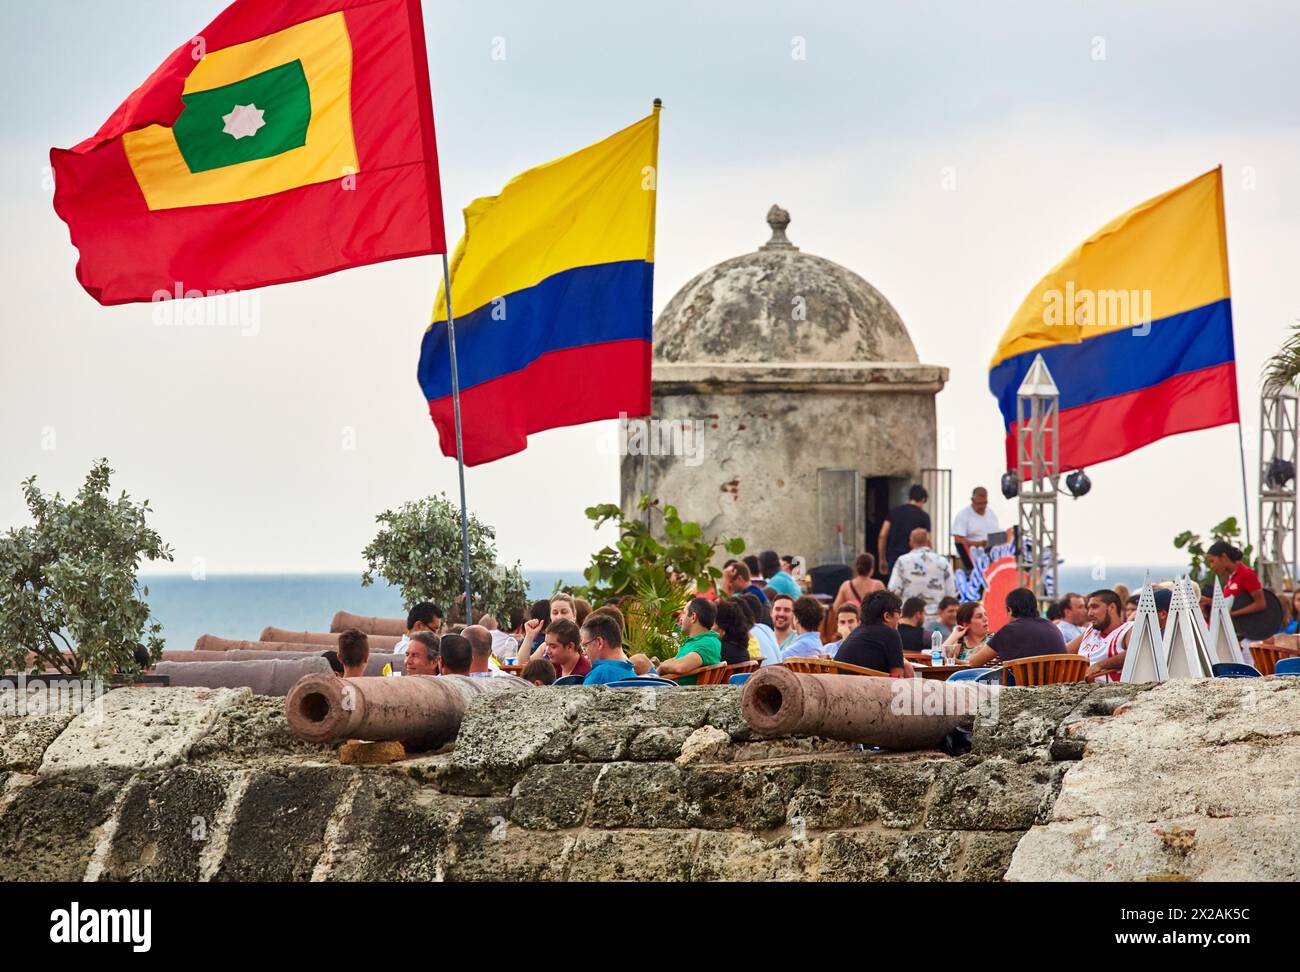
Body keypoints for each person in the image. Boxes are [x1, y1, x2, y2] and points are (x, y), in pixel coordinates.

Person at [1085, 588, 1172, 680]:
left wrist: (1100, 665)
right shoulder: (1091, 630)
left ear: (1162, 614)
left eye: (1145, 611)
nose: (1138, 615)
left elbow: (1136, 651)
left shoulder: (1169, 638)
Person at [968, 588, 1065, 667]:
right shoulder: (1052, 626)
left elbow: (974, 663)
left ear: (1009, 610)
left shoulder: (1008, 631)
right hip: (1056, 687)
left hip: (1022, 689)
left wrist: (976, 651)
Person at [833, 591, 910, 677]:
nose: (900, 618)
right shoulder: (891, 634)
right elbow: (898, 678)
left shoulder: (858, 631)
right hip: (864, 687)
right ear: (887, 616)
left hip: (843, 685)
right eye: (899, 612)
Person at [887, 528, 957, 620]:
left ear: (911, 542)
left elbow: (894, 590)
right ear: (928, 541)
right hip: (936, 617)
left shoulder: (902, 561)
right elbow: (951, 592)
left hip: (910, 617)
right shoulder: (943, 562)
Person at [1068, 589, 1132, 683]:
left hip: (1106, 690)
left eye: (1094, 607)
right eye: (1088, 608)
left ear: (1112, 608)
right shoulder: (1091, 630)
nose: (1089, 613)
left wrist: (1100, 665)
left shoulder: (1128, 629)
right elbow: (1064, 651)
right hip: (1078, 685)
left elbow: (1133, 653)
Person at [657, 597, 723, 684]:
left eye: (684, 613)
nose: (680, 617)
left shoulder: (708, 643)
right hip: (669, 685)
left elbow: (680, 666)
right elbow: (677, 661)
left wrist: (661, 667)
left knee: (639, 660)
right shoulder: (700, 640)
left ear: (693, 617)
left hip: (675, 691)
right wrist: (659, 665)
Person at [1204, 541, 1266, 625]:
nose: (1211, 566)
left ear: (1223, 557)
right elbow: (1229, 603)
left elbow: (1261, 604)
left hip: (1247, 630)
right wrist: (1206, 601)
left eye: (1212, 561)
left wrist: (1234, 614)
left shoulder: (1246, 574)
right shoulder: (1229, 577)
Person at [878, 484, 931, 579]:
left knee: (893, 590)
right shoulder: (924, 516)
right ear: (923, 499)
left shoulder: (894, 512)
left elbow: (882, 535)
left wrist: (882, 558)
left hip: (894, 558)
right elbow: (927, 541)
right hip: (915, 560)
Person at [952, 487, 1002, 570]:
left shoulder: (991, 514)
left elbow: (995, 534)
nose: (982, 506)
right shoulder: (963, 516)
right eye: (979, 503)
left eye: (984, 503)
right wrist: (978, 544)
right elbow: (958, 540)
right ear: (972, 500)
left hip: (990, 558)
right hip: (970, 560)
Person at [581, 614, 636, 685]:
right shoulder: (631, 671)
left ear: (599, 642)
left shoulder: (599, 674)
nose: (584, 653)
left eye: (585, 645)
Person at [715, 599, 754, 665]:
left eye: (713, 623)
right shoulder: (744, 652)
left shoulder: (717, 651)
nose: (710, 628)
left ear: (722, 628)